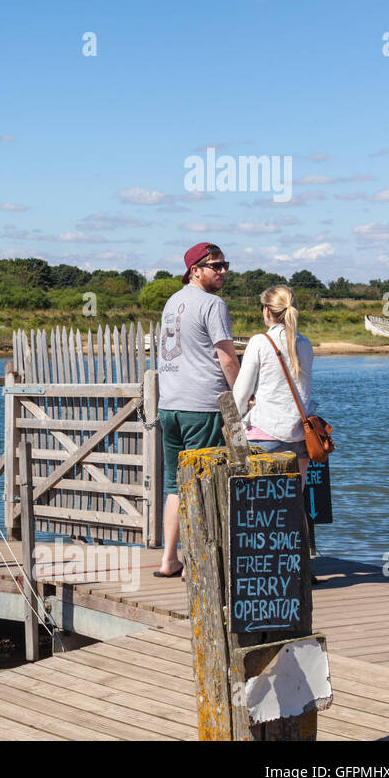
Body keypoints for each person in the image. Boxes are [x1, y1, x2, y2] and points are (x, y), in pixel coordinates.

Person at [155, 242, 240, 578]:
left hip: (169, 405)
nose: (221, 272)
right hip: (203, 405)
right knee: (204, 484)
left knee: (176, 485)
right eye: (215, 266)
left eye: (224, 265)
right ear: (195, 270)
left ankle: (169, 560)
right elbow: (227, 357)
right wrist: (245, 397)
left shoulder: (172, 302)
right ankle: (201, 563)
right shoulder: (213, 304)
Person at [231, 285, 319, 558]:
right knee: (294, 504)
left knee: (261, 507)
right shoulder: (304, 344)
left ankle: (266, 563)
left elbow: (241, 393)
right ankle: (301, 565)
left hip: (265, 434)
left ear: (267, 311)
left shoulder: (260, 342)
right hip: (300, 436)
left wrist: (235, 419)